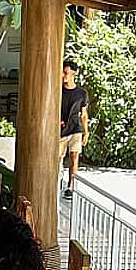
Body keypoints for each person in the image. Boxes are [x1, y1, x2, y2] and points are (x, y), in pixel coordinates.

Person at [60, 59, 89, 199]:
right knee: (58, 158)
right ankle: (56, 182)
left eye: (66, 73)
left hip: (76, 129)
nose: (63, 75)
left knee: (74, 156)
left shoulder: (81, 93)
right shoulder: (58, 91)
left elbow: (83, 114)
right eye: (62, 72)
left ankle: (71, 186)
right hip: (61, 129)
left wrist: (86, 132)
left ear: (74, 73)